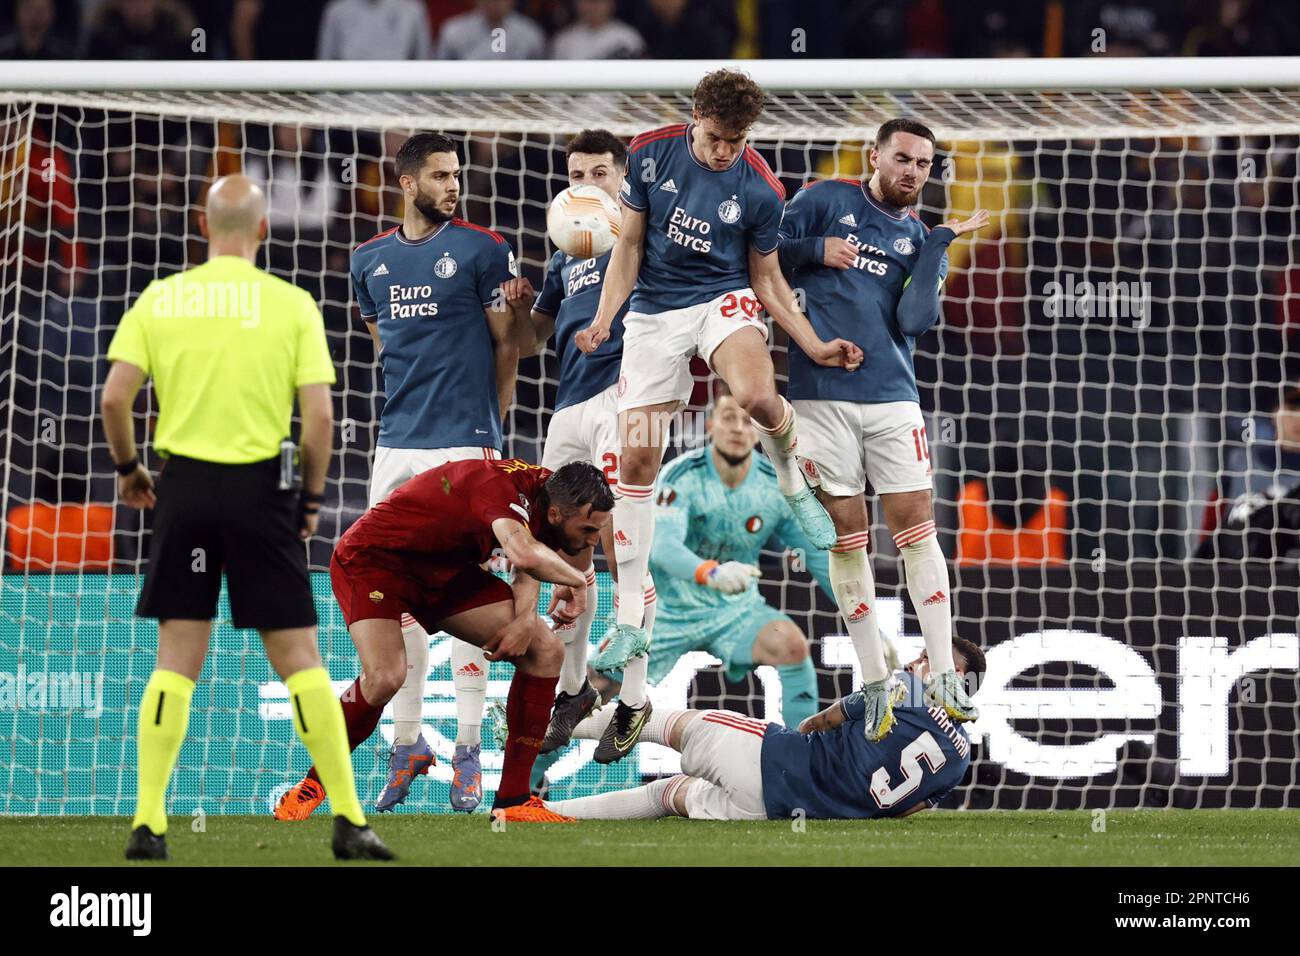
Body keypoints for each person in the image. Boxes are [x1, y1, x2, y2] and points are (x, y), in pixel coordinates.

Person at [574, 68, 863, 762]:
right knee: (635, 460)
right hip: (652, 315)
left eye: (736, 141)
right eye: (713, 138)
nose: (723, 152)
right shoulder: (648, 154)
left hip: (722, 301)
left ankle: (793, 474)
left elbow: (767, 279)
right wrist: (606, 318)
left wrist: (815, 342)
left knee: (760, 396)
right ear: (693, 117)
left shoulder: (761, 187)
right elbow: (631, 248)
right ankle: (627, 626)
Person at [101, 174, 391, 861]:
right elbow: (319, 416)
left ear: (205, 227)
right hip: (263, 494)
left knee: (176, 661)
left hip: (186, 489)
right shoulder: (290, 304)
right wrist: (313, 499)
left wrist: (129, 471)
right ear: (263, 229)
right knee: (300, 663)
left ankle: (149, 823)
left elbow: (115, 400)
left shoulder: (162, 297)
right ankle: (349, 820)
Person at [307, 131, 529, 815]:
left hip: (465, 445)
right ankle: (408, 745)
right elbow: (386, 351)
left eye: (456, 175)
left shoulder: (483, 249)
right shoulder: (366, 261)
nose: (452, 186)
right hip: (396, 447)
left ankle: (466, 747)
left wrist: (488, 432)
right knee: (393, 600)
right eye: (438, 176)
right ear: (406, 183)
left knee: (465, 593)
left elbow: (506, 347)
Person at [777, 117, 988, 739]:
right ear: (875, 156)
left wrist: (936, 247)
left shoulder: (920, 235)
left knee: (917, 532)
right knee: (848, 539)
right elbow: (762, 253)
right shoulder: (823, 199)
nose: (912, 173)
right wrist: (816, 251)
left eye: (923, 165)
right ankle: (875, 685)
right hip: (820, 398)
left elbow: (916, 319)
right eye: (902, 159)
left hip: (895, 400)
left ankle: (944, 674)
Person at [275, 458, 612, 823]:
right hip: (376, 562)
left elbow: (530, 558)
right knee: (385, 676)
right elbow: (524, 554)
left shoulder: (550, 496)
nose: (593, 542)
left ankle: (514, 800)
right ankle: (311, 786)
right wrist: (579, 581)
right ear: (559, 514)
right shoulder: (498, 489)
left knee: (545, 652)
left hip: (445, 572)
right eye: (590, 530)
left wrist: (525, 620)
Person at [511, 129, 659, 762]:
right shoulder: (565, 249)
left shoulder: (643, 233)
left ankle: (633, 697)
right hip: (568, 406)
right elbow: (532, 340)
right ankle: (572, 693)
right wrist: (520, 309)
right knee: (558, 546)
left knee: (622, 547)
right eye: (577, 172)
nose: (587, 183)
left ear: (622, 178)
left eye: (600, 172)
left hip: (629, 396)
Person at [582, 392, 848, 736]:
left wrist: (861, 617)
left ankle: (800, 758)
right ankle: (529, 777)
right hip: (669, 610)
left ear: (758, 431)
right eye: (728, 418)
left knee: (791, 646)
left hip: (736, 611)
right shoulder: (683, 475)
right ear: (710, 426)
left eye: (746, 420)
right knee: (595, 684)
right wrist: (713, 573)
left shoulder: (774, 484)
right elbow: (662, 547)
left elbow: (815, 554)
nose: (738, 428)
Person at [541, 638, 984, 821]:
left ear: (956, 675)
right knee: (668, 794)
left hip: (778, 758)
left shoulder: (906, 687)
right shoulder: (961, 759)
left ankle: (551, 718)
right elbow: (909, 811)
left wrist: (805, 731)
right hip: (779, 812)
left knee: (660, 722)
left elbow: (831, 717)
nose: (915, 662)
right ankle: (550, 817)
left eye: (929, 657)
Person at [316, 0, 434, 59]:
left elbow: (424, 63)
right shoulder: (337, 11)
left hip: (400, 101)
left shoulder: (412, 10)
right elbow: (325, 65)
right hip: (350, 101)